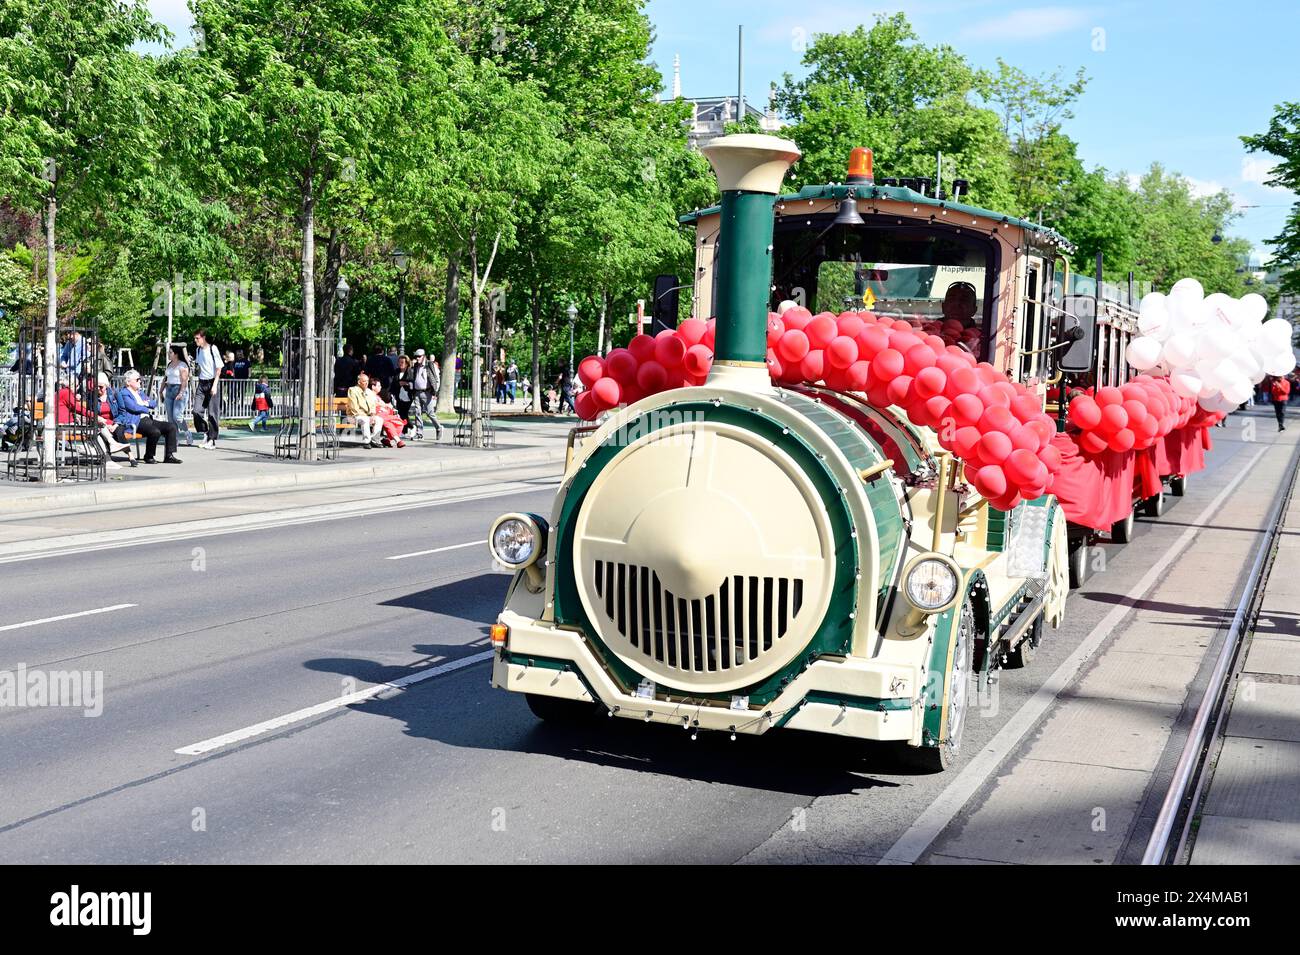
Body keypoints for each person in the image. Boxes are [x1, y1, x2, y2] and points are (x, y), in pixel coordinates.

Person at [116, 370, 181, 464]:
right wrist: (146, 406)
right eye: (137, 379)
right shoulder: (124, 393)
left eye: (140, 379)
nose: (140, 381)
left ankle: (169, 456)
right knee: (154, 432)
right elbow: (133, 407)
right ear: (128, 382)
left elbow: (153, 403)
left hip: (147, 419)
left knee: (171, 427)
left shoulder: (139, 392)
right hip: (136, 421)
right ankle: (149, 456)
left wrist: (143, 404)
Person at [193, 328, 223, 449]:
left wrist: (215, 385)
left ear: (203, 338)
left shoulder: (213, 348)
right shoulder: (197, 350)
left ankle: (212, 439)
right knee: (196, 411)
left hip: (212, 382)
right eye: (195, 338)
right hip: (202, 383)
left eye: (197, 338)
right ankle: (206, 432)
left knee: (212, 413)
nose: (196, 340)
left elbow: (219, 368)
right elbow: (199, 366)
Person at [410, 349, 444, 441]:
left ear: (424, 356)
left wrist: (435, 391)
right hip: (417, 392)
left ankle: (438, 427)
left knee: (430, 413)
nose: (417, 358)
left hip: (427, 392)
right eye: (416, 356)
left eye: (419, 356)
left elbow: (436, 378)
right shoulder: (416, 365)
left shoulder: (430, 365)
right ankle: (419, 433)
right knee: (417, 413)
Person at [163, 345, 193, 448]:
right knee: (171, 418)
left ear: (176, 354)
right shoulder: (169, 364)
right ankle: (175, 438)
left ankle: (187, 432)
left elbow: (184, 380)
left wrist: (181, 393)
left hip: (179, 389)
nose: (168, 354)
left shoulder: (182, 365)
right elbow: (165, 378)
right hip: (169, 390)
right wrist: (161, 390)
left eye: (170, 352)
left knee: (177, 416)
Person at [369, 377, 407, 448]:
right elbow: (373, 404)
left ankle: (388, 440)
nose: (381, 387)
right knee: (388, 423)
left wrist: (394, 412)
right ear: (373, 387)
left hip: (385, 414)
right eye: (379, 386)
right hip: (376, 415)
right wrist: (385, 405)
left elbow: (387, 406)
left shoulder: (378, 396)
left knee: (399, 423)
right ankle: (398, 441)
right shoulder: (369, 395)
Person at [347, 371, 380, 448]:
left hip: (366, 415)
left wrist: (372, 415)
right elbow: (354, 408)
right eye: (364, 381)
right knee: (365, 420)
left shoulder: (369, 391)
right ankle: (366, 441)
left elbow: (372, 405)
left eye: (368, 381)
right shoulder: (352, 390)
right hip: (354, 416)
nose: (367, 383)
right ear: (359, 382)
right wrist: (367, 416)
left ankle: (374, 440)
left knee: (379, 419)